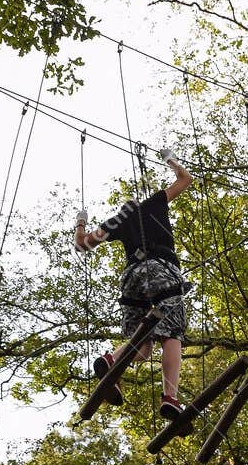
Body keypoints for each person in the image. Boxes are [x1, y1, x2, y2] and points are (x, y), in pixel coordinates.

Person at [75, 148, 193, 420]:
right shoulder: (152, 203)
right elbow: (185, 179)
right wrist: (170, 159)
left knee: (141, 345)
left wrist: (80, 222)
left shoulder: (114, 223)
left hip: (131, 277)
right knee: (171, 334)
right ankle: (170, 398)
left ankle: (111, 361)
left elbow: (82, 246)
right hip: (161, 269)